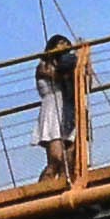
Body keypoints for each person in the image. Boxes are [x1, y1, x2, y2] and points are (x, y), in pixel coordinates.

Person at [35, 32, 85, 185]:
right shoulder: (44, 66)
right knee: (55, 159)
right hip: (52, 110)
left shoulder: (66, 66)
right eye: (61, 43)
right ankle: (41, 189)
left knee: (69, 161)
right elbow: (54, 75)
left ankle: (64, 186)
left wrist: (82, 60)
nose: (64, 47)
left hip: (67, 109)